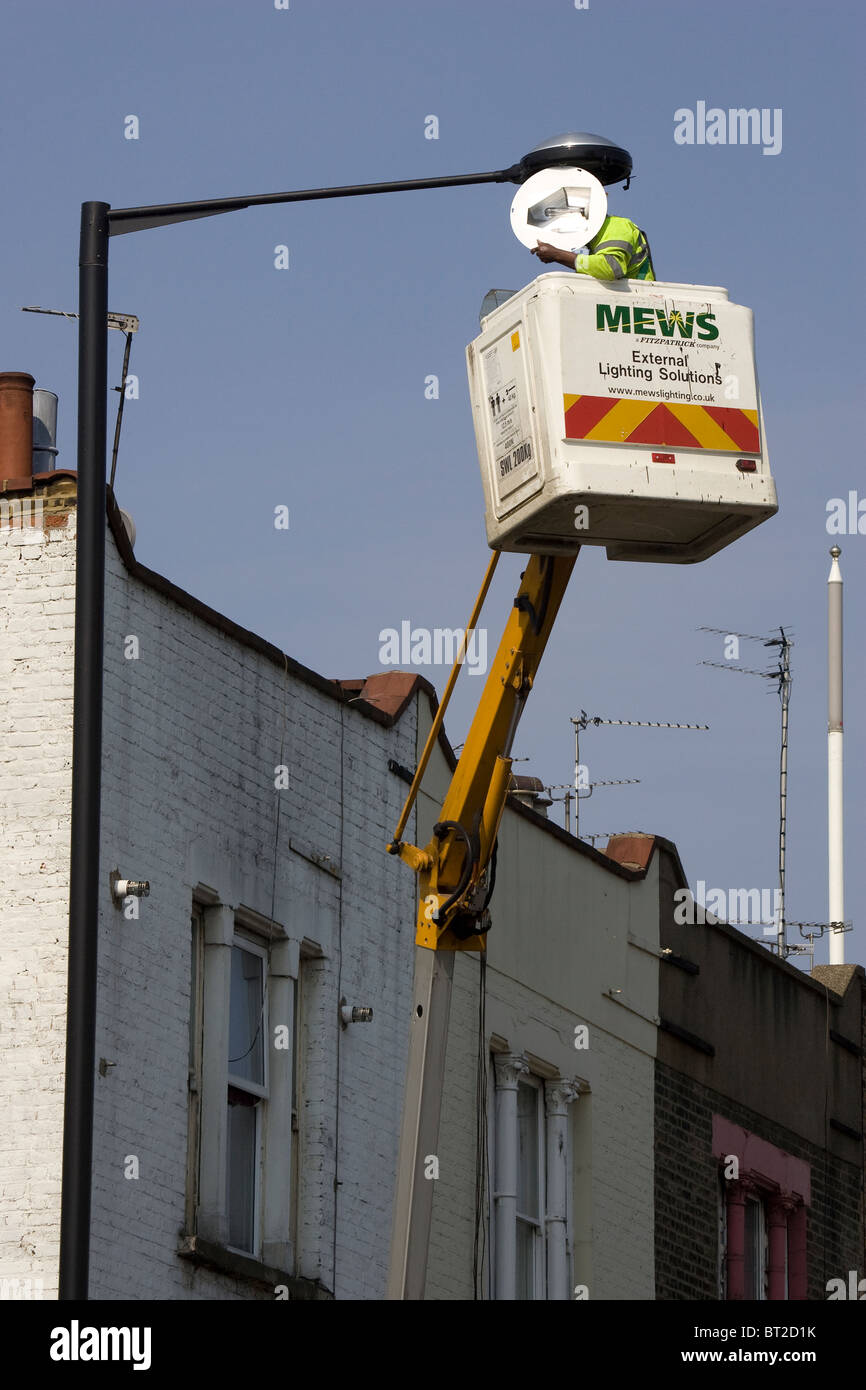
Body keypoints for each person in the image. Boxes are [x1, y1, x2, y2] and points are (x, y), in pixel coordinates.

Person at [531, 214, 655, 282]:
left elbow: (612, 267)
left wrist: (558, 255)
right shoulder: (587, 240)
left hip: (640, 303)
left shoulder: (616, 225)